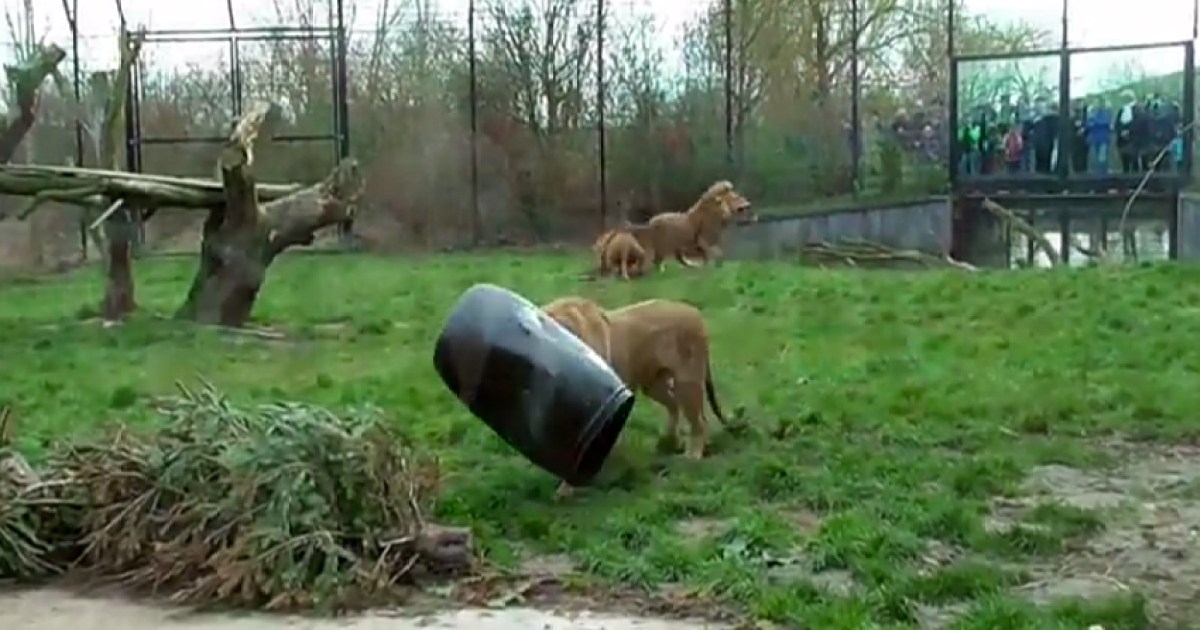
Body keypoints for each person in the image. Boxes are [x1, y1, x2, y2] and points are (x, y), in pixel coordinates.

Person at [1086, 99, 1112, 174]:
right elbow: (1088, 124)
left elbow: (1105, 122)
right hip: (1096, 139)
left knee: (1102, 157)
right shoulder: (1093, 114)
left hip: (1103, 138)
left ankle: (1103, 172)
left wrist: (1094, 121)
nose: (1095, 105)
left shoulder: (1105, 113)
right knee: (1099, 156)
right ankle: (1102, 172)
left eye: (1096, 103)